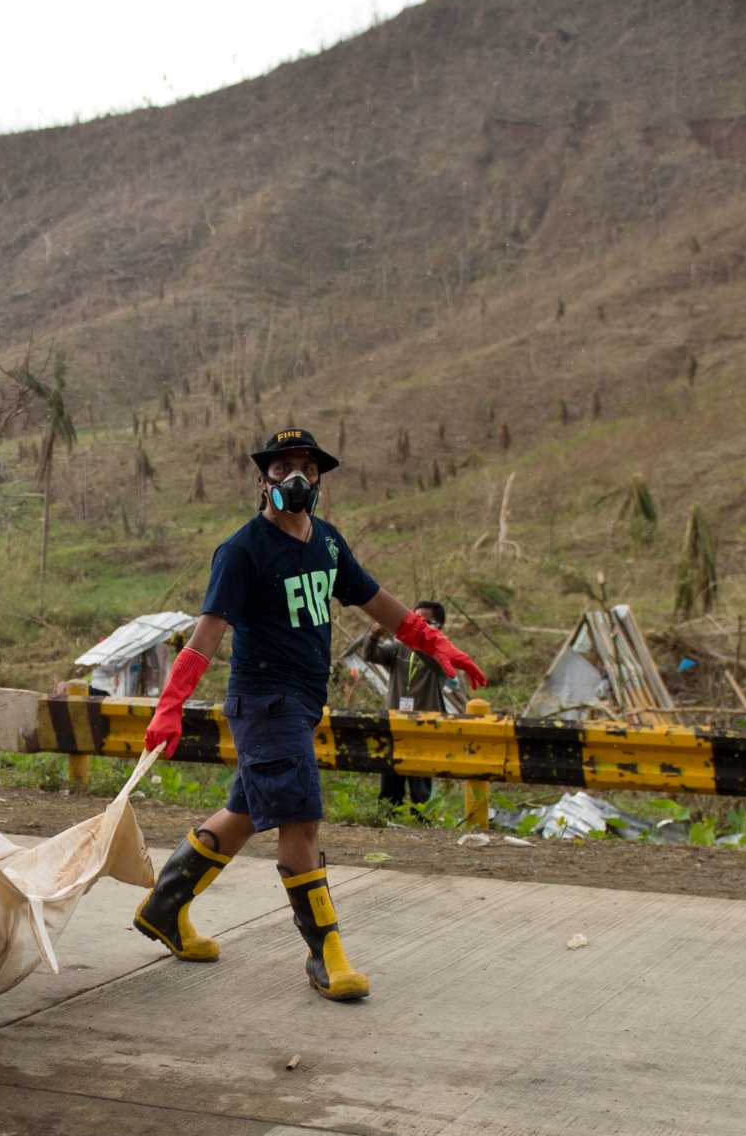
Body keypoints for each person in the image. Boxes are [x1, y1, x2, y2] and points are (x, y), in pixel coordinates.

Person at [131, 425, 485, 1000]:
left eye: (307, 467)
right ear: (264, 478)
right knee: (301, 821)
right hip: (265, 701)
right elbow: (205, 637)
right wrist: (171, 704)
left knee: (243, 813)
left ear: (319, 478)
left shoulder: (326, 542)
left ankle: (163, 909)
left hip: (302, 701)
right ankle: (326, 955)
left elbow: (379, 605)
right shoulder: (242, 549)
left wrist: (435, 644)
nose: (295, 477)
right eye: (282, 467)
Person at [358, 597, 458, 810]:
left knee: (419, 784)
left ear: (438, 626)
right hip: (395, 721)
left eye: (424, 622)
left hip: (424, 725)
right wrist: (375, 634)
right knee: (390, 777)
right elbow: (369, 654)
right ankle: (387, 813)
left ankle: (420, 817)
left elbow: (437, 665)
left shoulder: (443, 651)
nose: (417, 625)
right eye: (414, 619)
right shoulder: (399, 648)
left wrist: (416, 639)